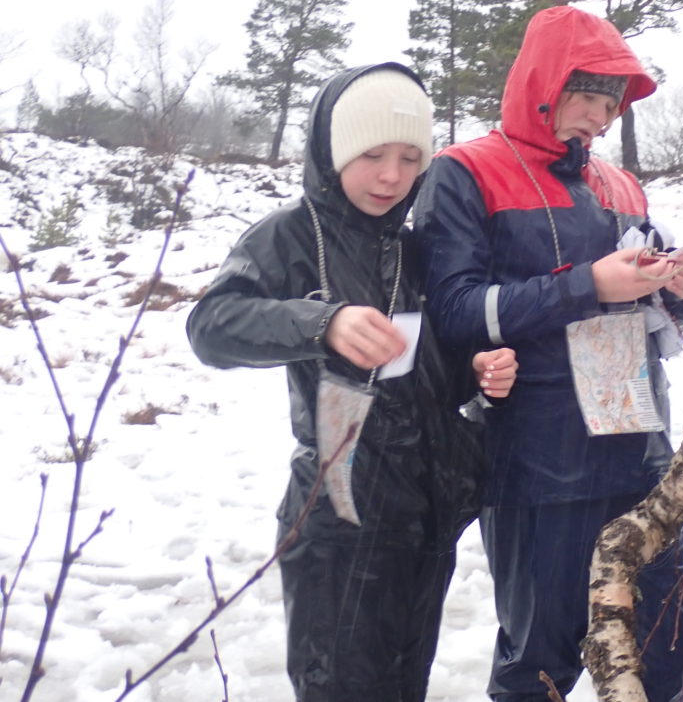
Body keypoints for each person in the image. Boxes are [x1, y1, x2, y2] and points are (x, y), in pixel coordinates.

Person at [186, 62, 517, 702]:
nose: (392, 176)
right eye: (371, 155)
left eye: (408, 157)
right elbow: (212, 326)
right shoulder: (288, 237)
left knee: (402, 685)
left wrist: (475, 369)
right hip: (336, 520)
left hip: (425, 513)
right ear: (334, 151)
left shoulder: (421, 249)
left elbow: (433, 369)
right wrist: (321, 321)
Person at [412, 5, 683, 701]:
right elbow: (453, 313)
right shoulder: (463, 173)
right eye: (591, 94)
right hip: (538, 462)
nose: (603, 116)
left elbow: (648, 313)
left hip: (639, 447)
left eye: (613, 101)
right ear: (545, 82)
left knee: (665, 644)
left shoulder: (620, 184)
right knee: (540, 664)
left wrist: (679, 289)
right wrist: (586, 284)